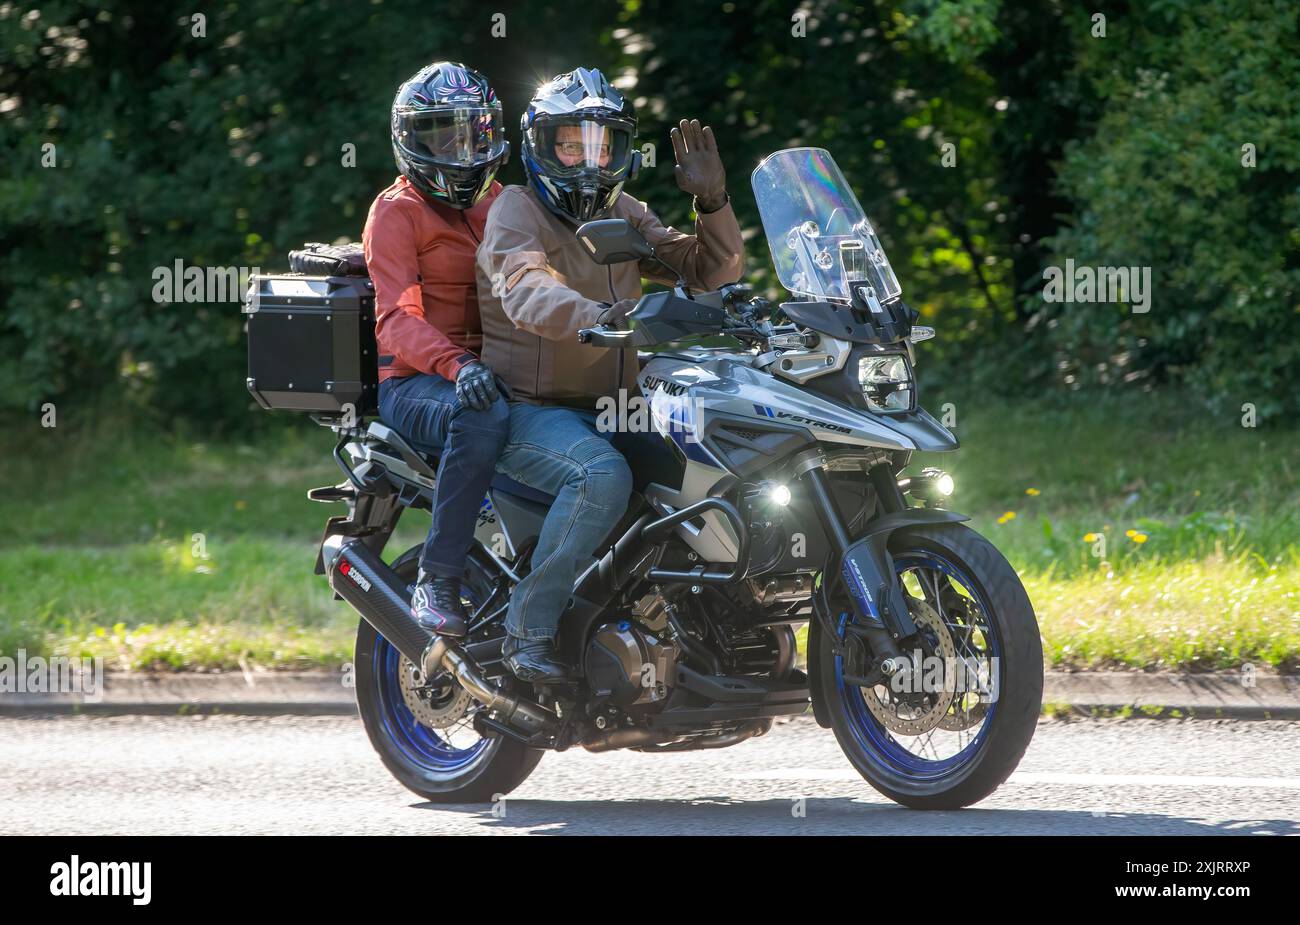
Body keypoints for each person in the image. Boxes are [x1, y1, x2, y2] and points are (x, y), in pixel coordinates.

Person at [476, 66, 745, 682]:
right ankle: (527, 630)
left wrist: (713, 204)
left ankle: (698, 625)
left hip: (614, 405)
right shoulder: (515, 210)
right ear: (542, 146)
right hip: (528, 409)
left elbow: (708, 270)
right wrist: (600, 315)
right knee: (602, 476)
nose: (588, 158)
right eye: (572, 142)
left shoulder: (624, 210)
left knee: (717, 461)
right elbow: (525, 288)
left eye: (602, 144)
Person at [363, 61, 510, 639]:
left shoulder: (502, 200)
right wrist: (459, 364)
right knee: (483, 412)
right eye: (441, 134)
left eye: (474, 134)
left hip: (493, 369)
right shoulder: (396, 211)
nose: (461, 150)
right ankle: (438, 576)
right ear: (409, 139)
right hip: (415, 383)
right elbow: (397, 318)